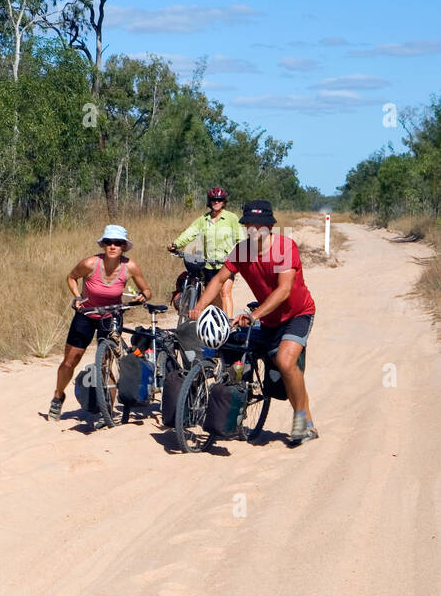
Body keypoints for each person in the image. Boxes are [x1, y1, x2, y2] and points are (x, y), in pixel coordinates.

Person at [190, 200, 318, 445]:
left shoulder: (284, 247)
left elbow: (283, 290)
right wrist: (198, 307)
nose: (255, 229)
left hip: (297, 314)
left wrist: (254, 315)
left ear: (270, 227)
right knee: (245, 353)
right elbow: (218, 279)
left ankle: (303, 421)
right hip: (269, 318)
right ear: (245, 226)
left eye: (261, 225)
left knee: (285, 361)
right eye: (250, 224)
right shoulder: (242, 251)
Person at [49, 225, 153, 421]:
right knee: (70, 360)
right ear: (103, 244)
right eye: (109, 242)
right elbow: (71, 278)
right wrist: (78, 297)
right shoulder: (90, 263)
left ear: (124, 247)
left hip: (112, 315)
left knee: (107, 361)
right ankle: (58, 395)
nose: (112, 246)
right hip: (87, 314)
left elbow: (147, 290)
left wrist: (142, 296)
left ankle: (107, 409)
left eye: (118, 243)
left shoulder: (130, 266)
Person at [169, 187, 242, 317]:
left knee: (225, 292)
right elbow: (190, 232)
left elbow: (241, 239)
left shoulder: (231, 218)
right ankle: (220, 320)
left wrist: (238, 255)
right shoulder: (203, 220)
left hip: (226, 264)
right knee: (213, 297)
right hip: (208, 265)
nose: (216, 202)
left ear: (224, 201)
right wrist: (176, 244)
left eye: (219, 200)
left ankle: (230, 326)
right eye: (214, 200)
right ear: (210, 201)